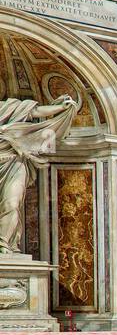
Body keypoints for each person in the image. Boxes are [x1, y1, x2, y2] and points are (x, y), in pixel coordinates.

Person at [0, 95, 78, 253]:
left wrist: (61, 107)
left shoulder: (6, 107)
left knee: (12, 204)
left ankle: (4, 244)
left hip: (14, 163)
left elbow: (34, 111)